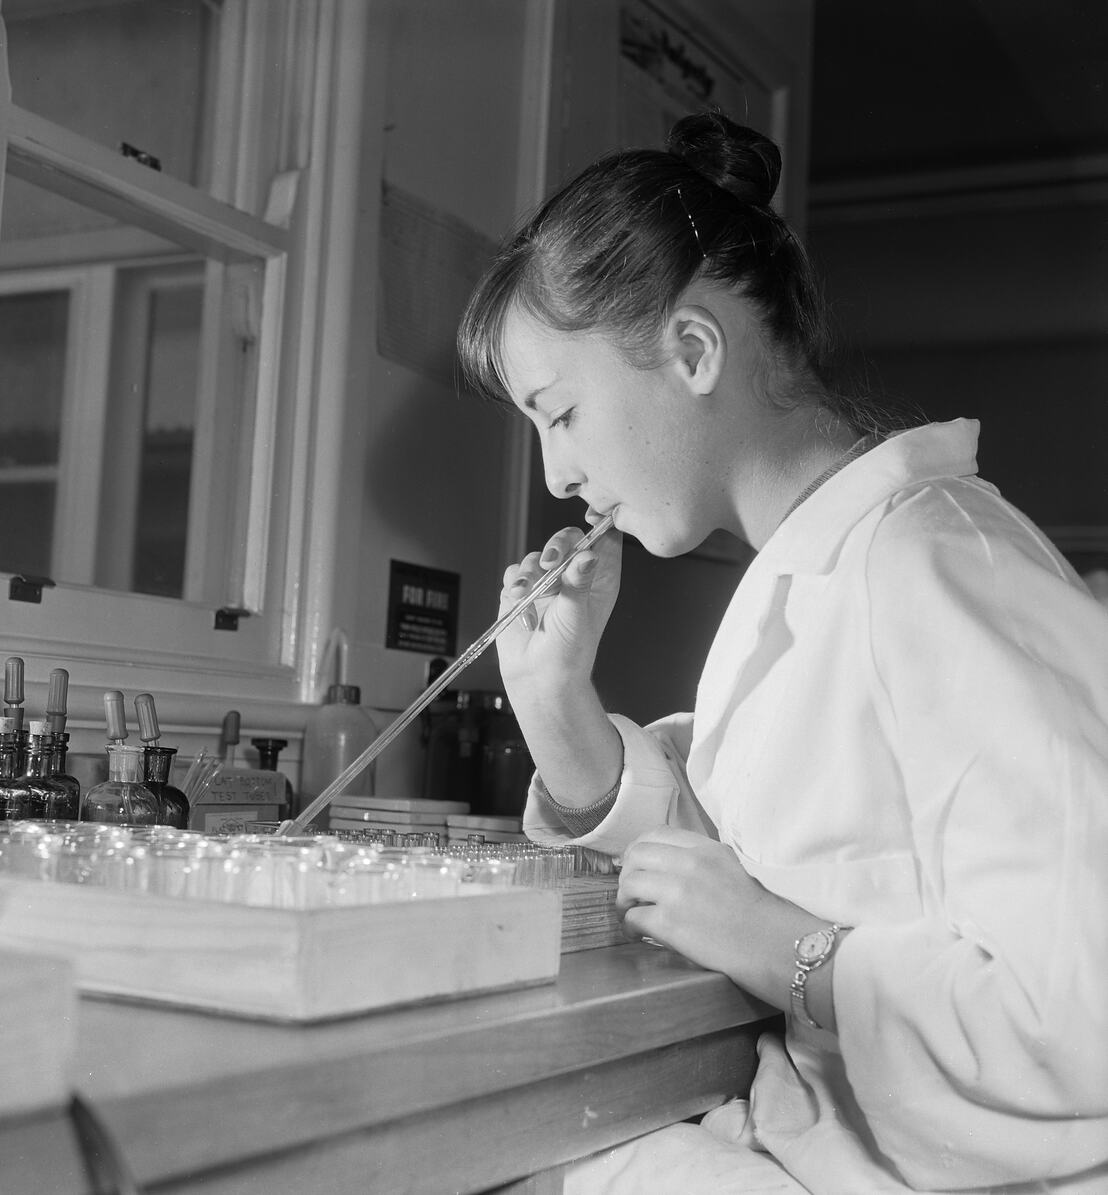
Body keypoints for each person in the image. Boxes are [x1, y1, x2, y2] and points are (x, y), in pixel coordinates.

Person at [456, 110, 1108, 1193]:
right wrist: (555, 701)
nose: (556, 472)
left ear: (694, 349)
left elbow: (1079, 1010)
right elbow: (734, 866)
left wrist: (781, 948)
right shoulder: (821, 573)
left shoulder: (941, 567)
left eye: (560, 413)